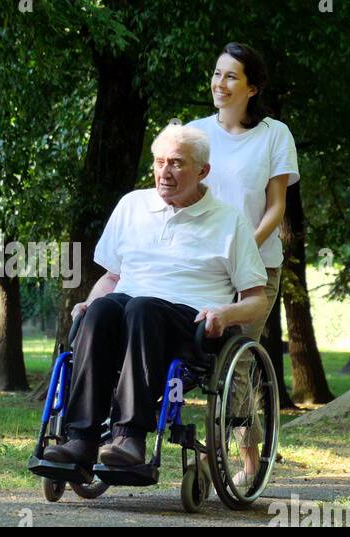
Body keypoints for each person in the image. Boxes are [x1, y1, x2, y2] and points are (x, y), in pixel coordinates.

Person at [42, 124, 269, 470]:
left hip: (188, 325)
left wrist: (224, 314)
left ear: (203, 171)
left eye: (177, 163)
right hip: (129, 315)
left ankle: (129, 436)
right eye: (159, 162)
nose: (165, 172)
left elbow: (257, 299)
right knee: (102, 309)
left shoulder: (229, 221)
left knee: (142, 307)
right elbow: (112, 277)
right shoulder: (131, 206)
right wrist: (89, 302)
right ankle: (81, 439)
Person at [185, 42, 299, 488]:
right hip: (201, 267)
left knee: (234, 359)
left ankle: (246, 458)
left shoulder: (275, 135)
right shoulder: (195, 133)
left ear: (252, 87)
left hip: (256, 268)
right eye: (217, 74)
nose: (220, 83)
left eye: (231, 76)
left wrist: (243, 250)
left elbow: (275, 208)